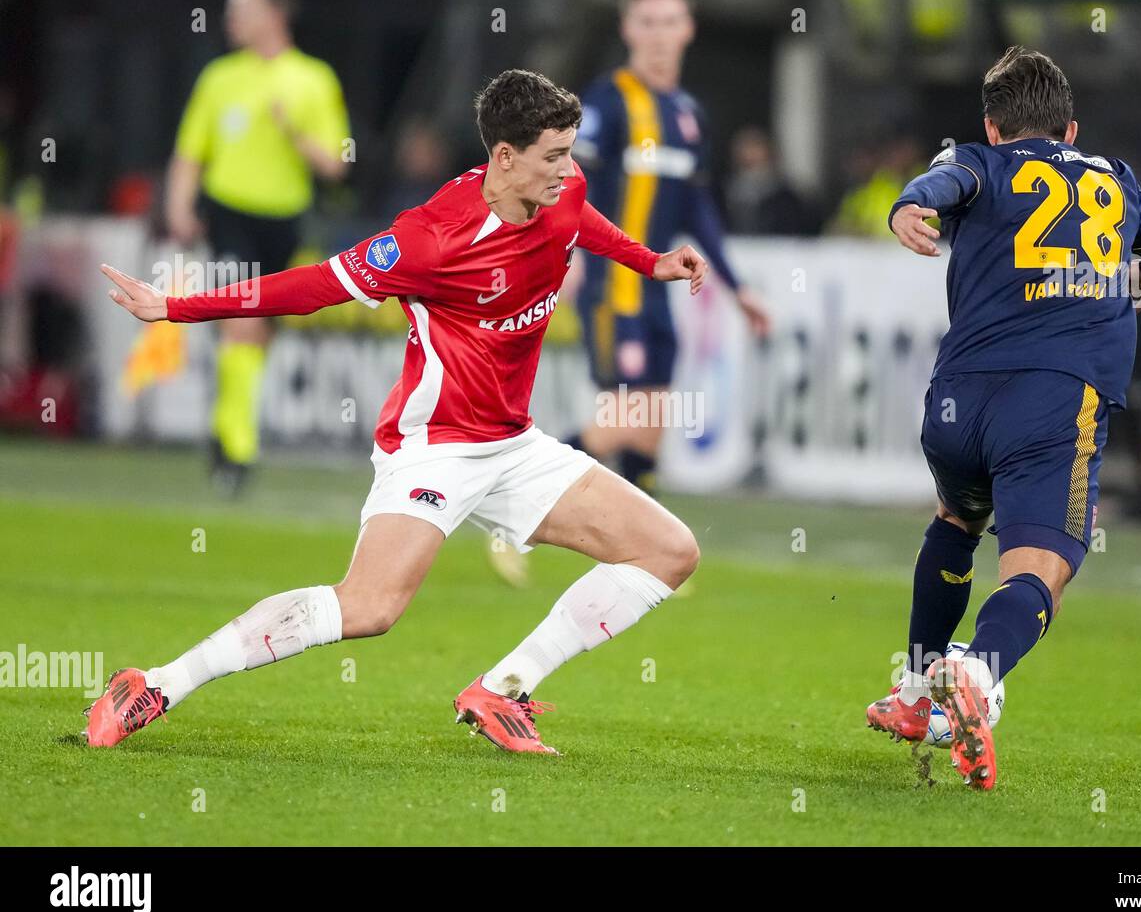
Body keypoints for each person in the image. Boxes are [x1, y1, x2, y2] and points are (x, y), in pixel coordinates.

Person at [86, 69, 708, 756]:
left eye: (570, 151)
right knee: (370, 609)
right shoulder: (429, 240)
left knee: (669, 551)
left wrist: (648, 263)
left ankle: (502, 688)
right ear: (505, 157)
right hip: (434, 447)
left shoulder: (564, 191)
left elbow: (579, 224)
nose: (569, 169)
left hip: (515, 444)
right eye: (554, 155)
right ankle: (156, 685)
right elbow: (310, 287)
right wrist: (176, 306)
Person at [864, 46, 1141, 789]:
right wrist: (1133, 291)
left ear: (993, 124)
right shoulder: (1117, 180)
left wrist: (908, 207)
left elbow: (941, 181)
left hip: (956, 403)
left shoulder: (981, 160)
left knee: (955, 519)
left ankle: (915, 693)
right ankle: (976, 673)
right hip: (1054, 401)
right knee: (1043, 570)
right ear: (1070, 130)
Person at [567, 0, 769, 496]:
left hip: (657, 287)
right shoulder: (608, 101)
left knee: (652, 417)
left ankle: (643, 555)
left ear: (688, 29)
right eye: (648, 22)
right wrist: (568, 255)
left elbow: (696, 210)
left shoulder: (688, 115)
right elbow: (568, 182)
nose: (659, 35)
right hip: (614, 285)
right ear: (628, 28)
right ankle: (514, 499)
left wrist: (736, 287)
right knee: (626, 412)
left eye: (669, 22)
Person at [166, 0, 350, 494]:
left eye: (240, 10)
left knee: (258, 334)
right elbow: (190, 152)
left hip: (283, 220)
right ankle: (238, 450)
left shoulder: (313, 79)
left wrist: (293, 133)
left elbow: (337, 163)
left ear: (274, 14)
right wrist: (180, 204)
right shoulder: (220, 77)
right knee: (238, 322)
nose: (231, 22)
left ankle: (225, 429)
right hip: (229, 214)